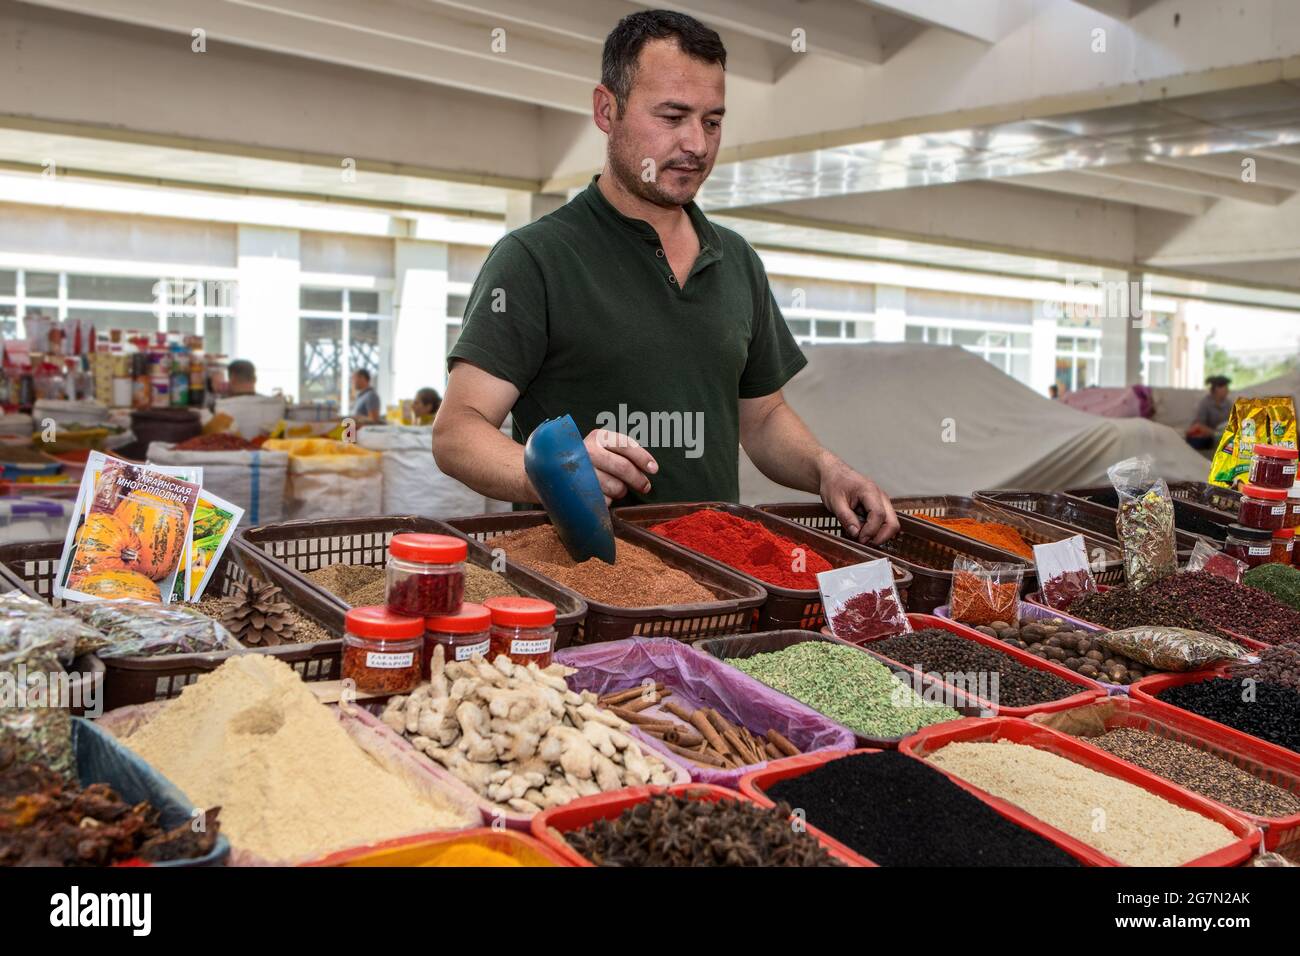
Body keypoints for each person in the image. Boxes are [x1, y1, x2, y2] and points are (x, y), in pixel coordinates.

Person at [433, 10, 898, 543]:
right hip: (586, 583)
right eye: (673, 117)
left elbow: (763, 418)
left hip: (720, 577)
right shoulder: (536, 257)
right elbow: (457, 432)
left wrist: (825, 468)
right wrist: (554, 474)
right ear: (607, 110)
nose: (698, 144)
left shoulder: (737, 260)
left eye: (713, 121)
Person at [214, 359, 285, 439]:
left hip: (235, 450)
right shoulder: (276, 405)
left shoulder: (222, 408)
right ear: (255, 379)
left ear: (232, 379)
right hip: (271, 450)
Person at [1187, 375, 1232, 450]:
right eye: (1226, 388)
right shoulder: (1205, 403)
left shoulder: (1228, 403)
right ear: (1217, 389)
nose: (1228, 391)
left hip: (1221, 432)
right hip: (1208, 434)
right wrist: (1213, 433)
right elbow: (1200, 424)